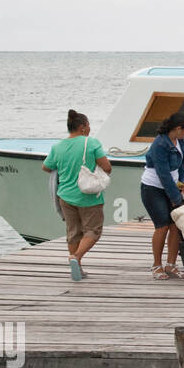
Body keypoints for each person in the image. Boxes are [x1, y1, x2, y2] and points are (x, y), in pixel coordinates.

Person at [41, 109, 113, 280]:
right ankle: (76, 257)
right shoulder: (91, 143)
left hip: (65, 196)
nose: (89, 128)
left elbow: (46, 167)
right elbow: (107, 167)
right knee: (93, 231)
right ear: (82, 127)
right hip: (88, 196)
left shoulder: (58, 146)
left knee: (73, 232)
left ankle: (77, 269)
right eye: (88, 125)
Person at [140, 112, 184, 279]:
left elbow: (183, 165)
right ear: (177, 128)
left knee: (176, 225)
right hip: (153, 188)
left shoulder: (180, 142)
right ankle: (156, 265)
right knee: (162, 225)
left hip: (173, 187)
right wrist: (176, 199)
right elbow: (163, 175)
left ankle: (171, 264)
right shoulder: (160, 144)